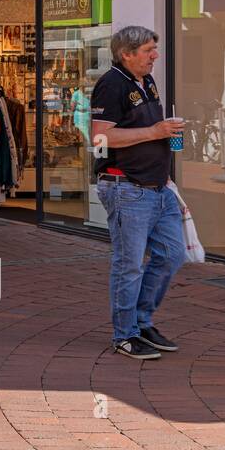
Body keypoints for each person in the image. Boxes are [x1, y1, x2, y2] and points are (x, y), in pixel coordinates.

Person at [91, 25, 186, 361]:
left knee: (174, 253)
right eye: (148, 50)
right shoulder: (111, 84)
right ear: (126, 54)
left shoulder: (147, 81)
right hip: (126, 188)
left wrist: (164, 136)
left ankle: (142, 321)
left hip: (158, 188)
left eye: (154, 49)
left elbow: (148, 131)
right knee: (129, 264)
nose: (154, 56)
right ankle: (125, 334)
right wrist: (155, 131)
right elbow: (100, 138)